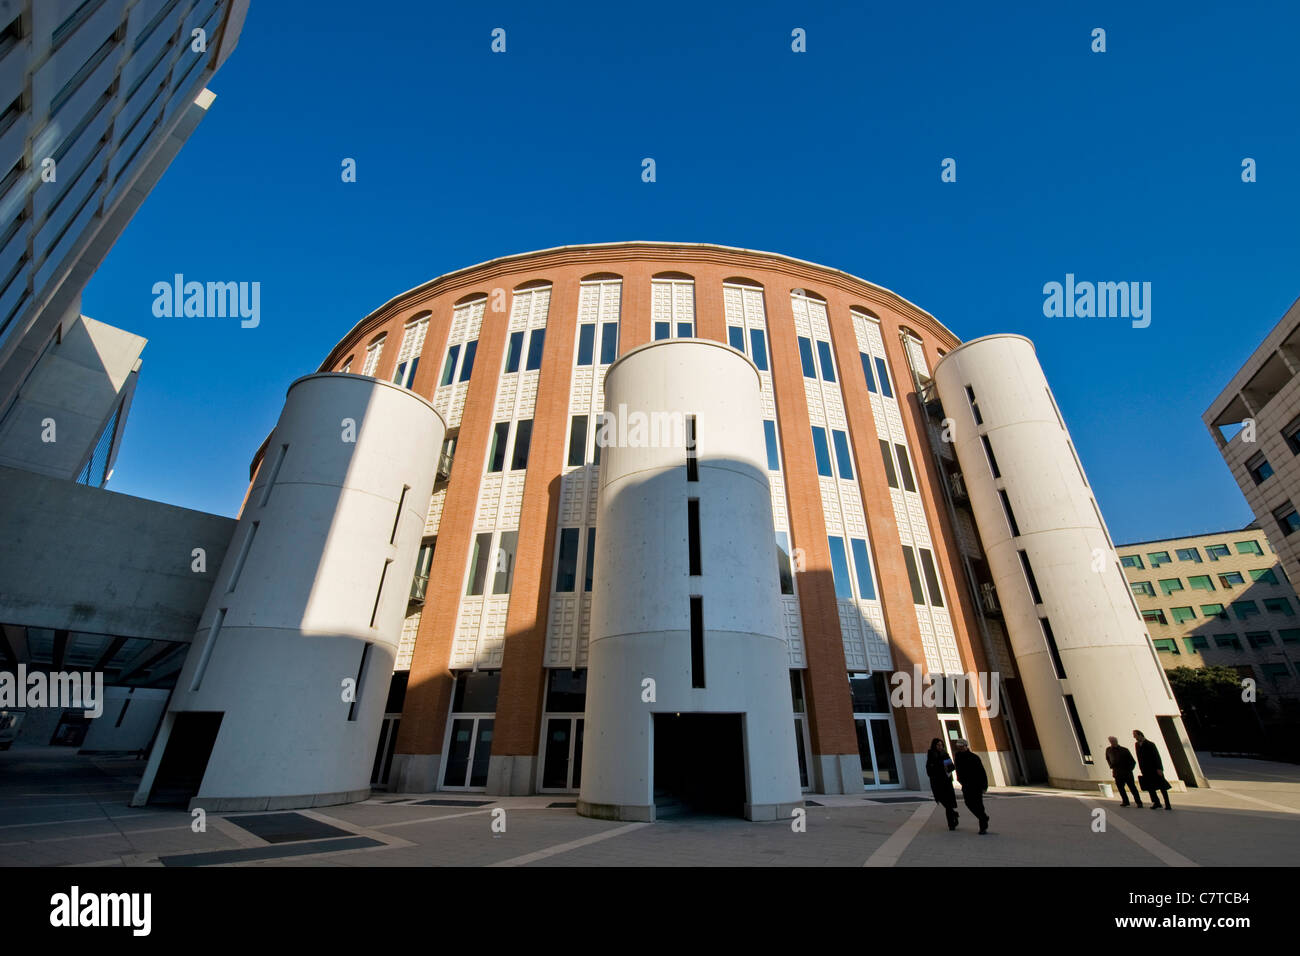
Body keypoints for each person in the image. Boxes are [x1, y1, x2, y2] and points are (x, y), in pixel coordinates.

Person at [951, 738, 990, 834]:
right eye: (958, 746)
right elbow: (957, 769)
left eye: (961, 746)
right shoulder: (958, 756)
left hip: (976, 784)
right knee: (968, 803)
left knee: (979, 804)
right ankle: (983, 817)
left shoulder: (974, 757)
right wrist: (960, 780)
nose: (959, 748)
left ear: (965, 746)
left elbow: (981, 772)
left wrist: (984, 786)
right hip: (966, 784)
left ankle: (982, 826)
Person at [925, 738, 960, 830]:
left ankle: (951, 825)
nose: (940, 747)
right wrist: (938, 768)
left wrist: (946, 767)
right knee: (942, 800)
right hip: (937, 782)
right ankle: (954, 814)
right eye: (938, 745)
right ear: (934, 746)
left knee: (948, 804)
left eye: (941, 745)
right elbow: (929, 769)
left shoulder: (945, 754)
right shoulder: (931, 755)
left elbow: (951, 767)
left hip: (946, 782)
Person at [1133, 730, 1172, 810]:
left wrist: (1159, 768)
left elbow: (1157, 757)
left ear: (1140, 735)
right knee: (1150, 787)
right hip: (1145, 769)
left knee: (1162, 786)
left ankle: (1167, 804)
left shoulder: (1150, 744)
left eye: (1135, 735)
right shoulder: (1137, 745)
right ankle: (1156, 802)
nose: (1134, 737)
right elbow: (1139, 757)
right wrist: (1141, 768)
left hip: (1154, 769)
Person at [1104, 736, 1142, 807]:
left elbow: (1132, 761)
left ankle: (1138, 802)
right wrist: (1111, 766)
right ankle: (1125, 801)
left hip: (1127, 772)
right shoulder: (1108, 750)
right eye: (1111, 741)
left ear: (1116, 741)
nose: (1112, 742)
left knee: (1132, 787)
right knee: (1120, 788)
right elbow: (1107, 758)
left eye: (1113, 741)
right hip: (1117, 772)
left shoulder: (1124, 750)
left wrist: (1129, 769)